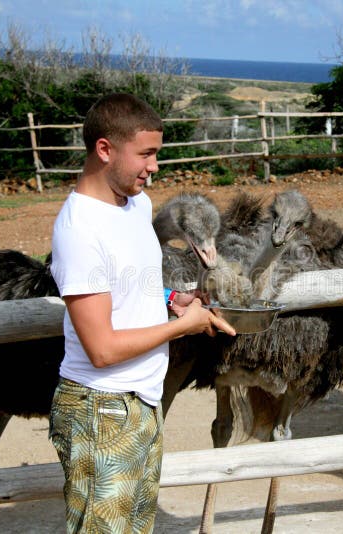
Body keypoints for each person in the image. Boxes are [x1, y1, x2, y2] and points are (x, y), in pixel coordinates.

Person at [49, 92, 235, 533]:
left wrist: (173, 301)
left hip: (144, 403)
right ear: (104, 150)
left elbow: (132, 281)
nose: (154, 166)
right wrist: (181, 328)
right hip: (102, 410)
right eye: (146, 154)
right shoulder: (79, 231)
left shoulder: (137, 206)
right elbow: (101, 349)